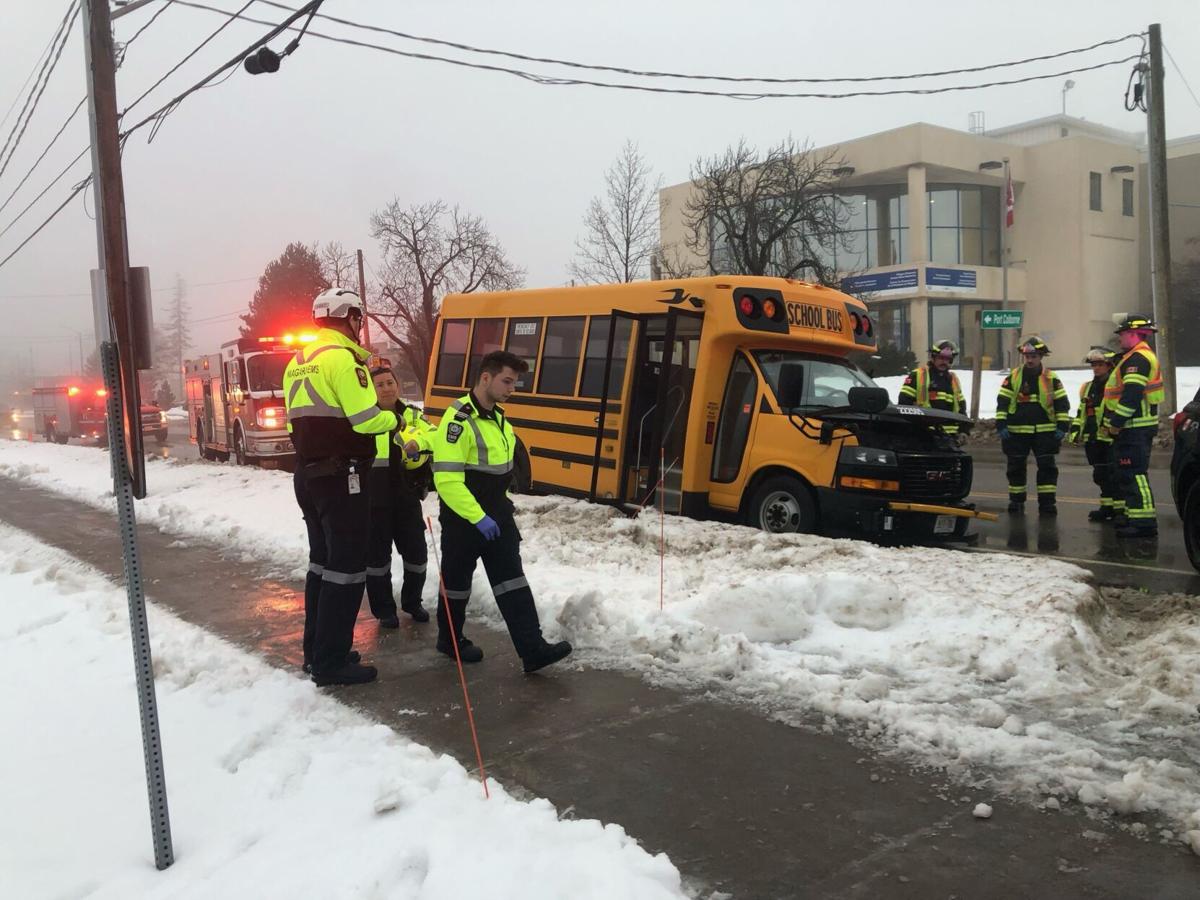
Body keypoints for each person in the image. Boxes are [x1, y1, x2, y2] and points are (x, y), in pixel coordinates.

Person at [283, 288, 397, 686]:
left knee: (322, 564)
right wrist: (396, 421)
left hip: (309, 475)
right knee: (347, 568)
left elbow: (291, 423)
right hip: (342, 476)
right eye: (358, 318)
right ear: (349, 317)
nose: (359, 325)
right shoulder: (344, 361)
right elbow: (366, 419)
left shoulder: (298, 362)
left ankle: (317, 651)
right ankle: (331, 661)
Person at [431, 350, 572, 672]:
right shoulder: (458, 421)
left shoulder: (498, 418)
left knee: (512, 581)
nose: (512, 388)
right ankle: (450, 640)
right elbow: (447, 480)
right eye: (507, 381)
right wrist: (476, 517)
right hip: (463, 517)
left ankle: (533, 649)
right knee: (456, 583)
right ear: (486, 377)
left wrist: (498, 509)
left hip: (497, 513)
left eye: (515, 383)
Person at [364, 366, 434, 628]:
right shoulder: (365, 417)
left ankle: (413, 602)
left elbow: (434, 434)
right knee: (377, 560)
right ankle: (384, 611)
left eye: (389, 382)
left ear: (398, 384)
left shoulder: (413, 415)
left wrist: (420, 443)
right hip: (374, 499)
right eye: (379, 384)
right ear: (371, 390)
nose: (386, 388)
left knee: (417, 554)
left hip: (406, 496)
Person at [1100, 313, 1163, 539]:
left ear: (1134, 334)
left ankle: (1144, 523)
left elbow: (1131, 396)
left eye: (1123, 334)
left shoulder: (1137, 359)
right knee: (1127, 474)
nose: (1120, 339)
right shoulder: (1135, 357)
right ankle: (1133, 517)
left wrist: (1116, 423)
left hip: (1134, 427)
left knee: (1135, 474)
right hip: (1134, 427)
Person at [995, 336, 1071, 515]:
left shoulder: (1052, 378)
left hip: (1045, 432)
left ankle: (1047, 504)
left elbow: (1061, 403)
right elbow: (1003, 402)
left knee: (1047, 468)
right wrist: (1001, 423)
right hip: (1016, 432)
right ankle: (1016, 501)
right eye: (1027, 356)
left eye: (1034, 356)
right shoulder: (1013, 377)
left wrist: (1062, 425)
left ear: (1041, 356)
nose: (1029, 360)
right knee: (1015, 468)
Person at [1068, 346, 1120, 522]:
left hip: (1110, 438)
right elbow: (1082, 412)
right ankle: (1107, 507)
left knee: (1115, 475)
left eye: (1100, 364)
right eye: (1093, 365)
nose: (1096, 368)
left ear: (1109, 365)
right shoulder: (1087, 387)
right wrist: (1076, 430)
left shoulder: (1115, 386)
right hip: (1093, 438)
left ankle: (1120, 511)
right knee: (1101, 475)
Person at [898, 339, 966, 433]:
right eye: (941, 358)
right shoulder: (918, 375)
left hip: (951, 437)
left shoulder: (953, 379)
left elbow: (961, 407)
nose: (944, 362)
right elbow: (904, 404)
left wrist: (964, 430)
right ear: (933, 357)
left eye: (948, 359)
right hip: (926, 436)